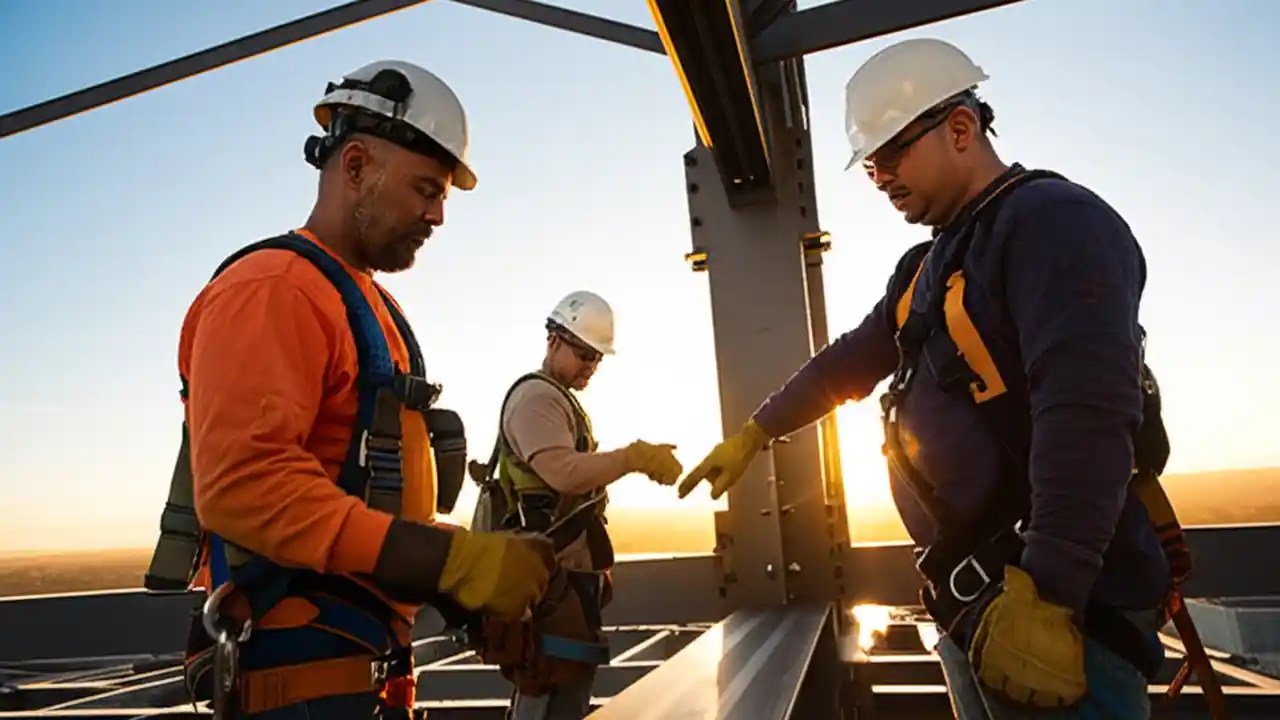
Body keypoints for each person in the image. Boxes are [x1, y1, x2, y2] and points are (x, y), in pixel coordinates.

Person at [676, 38, 1181, 719]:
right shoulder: (927, 266)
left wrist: (1051, 595)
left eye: (890, 154)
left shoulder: (1055, 223)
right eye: (871, 166)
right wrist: (758, 429)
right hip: (980, 603)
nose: (880, 176)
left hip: (1064, 620)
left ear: (961, 128)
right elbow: (852, 359)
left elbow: (1086, 413)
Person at [150, 59, 556, 719]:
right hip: (296, 682)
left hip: (356, 672)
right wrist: (450, 561)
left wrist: (466, 597)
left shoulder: (367, 305)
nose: (438, 214)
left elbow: (366, 502)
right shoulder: (274, 289)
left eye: (444, 195)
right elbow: (245, 487)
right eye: (426, 189)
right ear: (358, 166)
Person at [470, 290, 683, 720]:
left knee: (564, 687)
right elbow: (562, 472)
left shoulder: (558, 399)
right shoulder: (537, 399)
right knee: (548, 685)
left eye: (597, 359)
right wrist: (633, 457)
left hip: (560, 580)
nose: (591, 367)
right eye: (584, 354)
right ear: (553, 341)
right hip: (545, 585)